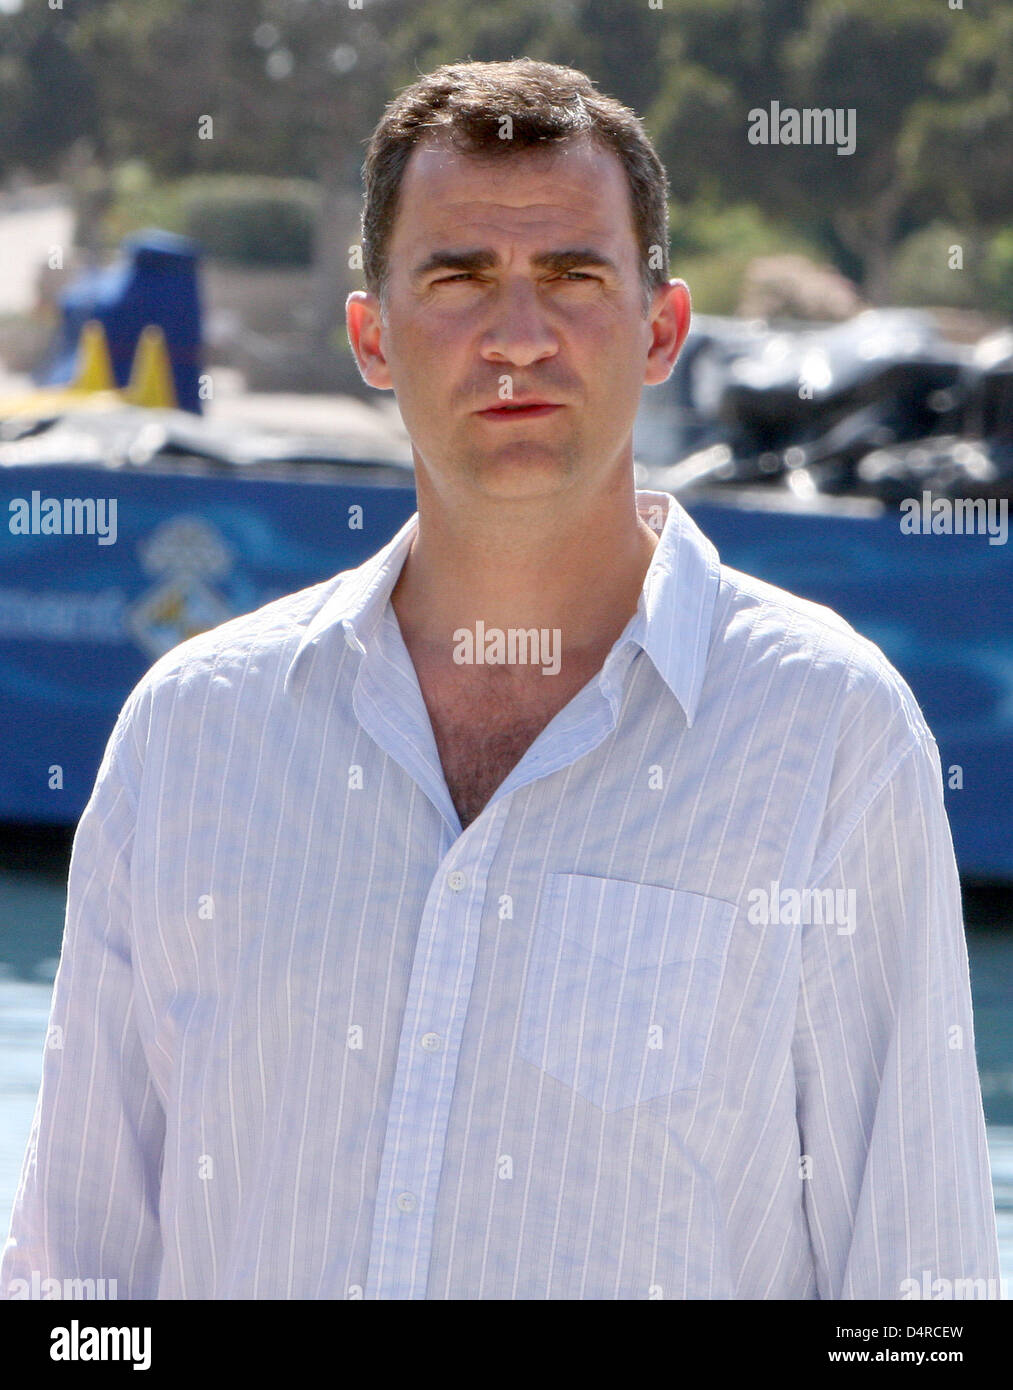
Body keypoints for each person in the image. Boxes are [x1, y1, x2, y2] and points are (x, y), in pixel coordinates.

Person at [1, 58, 1001, 1301]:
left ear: (658, 329)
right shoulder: (188, 738)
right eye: (457, 277)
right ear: (372, 335)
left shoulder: (829, 737)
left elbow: (916, 1297)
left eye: (573, 277)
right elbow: (75, 1289)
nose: (516, 335)